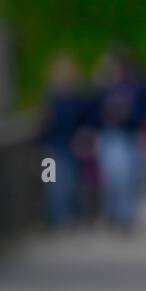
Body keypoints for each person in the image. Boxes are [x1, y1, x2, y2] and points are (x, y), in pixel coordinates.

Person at [92, 48, 146, 230]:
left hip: (128, 135)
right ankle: (113, 214)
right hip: (108, 135)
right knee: (111, 178)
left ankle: (126, 215)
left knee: (128, 177)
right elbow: (92, 111)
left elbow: (144, 108)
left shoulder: (134, 85)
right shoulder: (102, 87)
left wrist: (129, 116)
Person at [39, 54, 90, 227]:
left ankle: (66, 216)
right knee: (51, 183)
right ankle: (54, 218)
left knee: (70, 183)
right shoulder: (51, 98)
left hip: (70, 147)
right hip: (53, 147)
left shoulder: (77, 98)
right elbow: (45, 125)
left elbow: (84, 123)